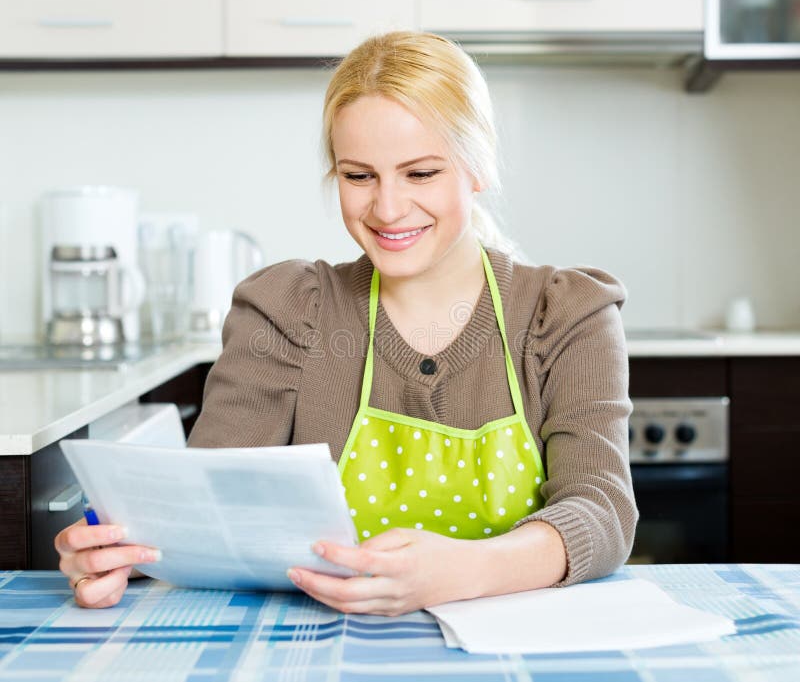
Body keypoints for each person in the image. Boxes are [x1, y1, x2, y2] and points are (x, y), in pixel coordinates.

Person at [55, 31, 637, 614]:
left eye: (421, 174)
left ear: (477, 166)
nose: (387, 209)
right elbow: (208, 511)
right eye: (359, 176)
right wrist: (114, 555)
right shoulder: (287, 310)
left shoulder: (565, 315)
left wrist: (462, 570)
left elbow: (602, 508)